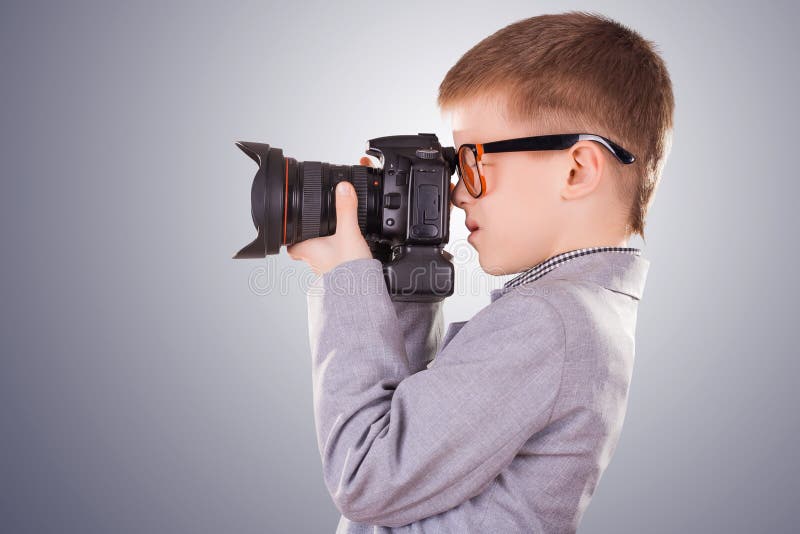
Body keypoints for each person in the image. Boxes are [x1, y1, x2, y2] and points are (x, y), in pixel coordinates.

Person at [287, 10, 674, 533]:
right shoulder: (581, 314)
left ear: (576, 168)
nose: (454, 190)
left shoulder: (548, 321)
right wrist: (401, 266)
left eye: (471, 160)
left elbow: (367, 474)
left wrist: (348, 281)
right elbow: (410, 434)